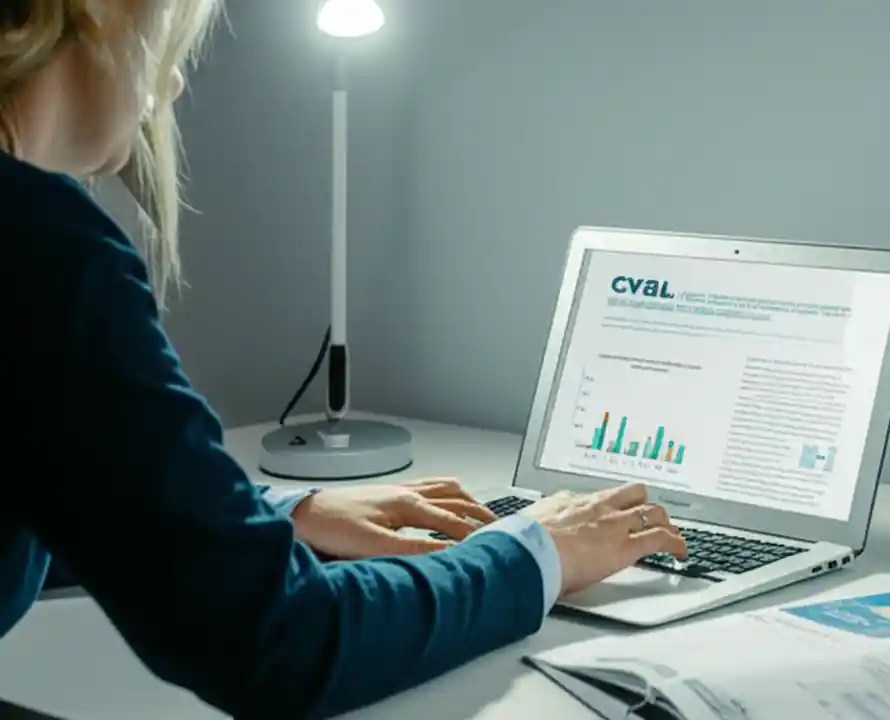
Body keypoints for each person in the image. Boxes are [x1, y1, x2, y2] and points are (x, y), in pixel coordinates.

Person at [0, 1, 687, 718]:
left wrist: (280, 515)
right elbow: (286, 639)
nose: (169, 89)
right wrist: (534, 553)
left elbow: (66, 490)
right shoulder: (37, 250)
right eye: (165, 41)